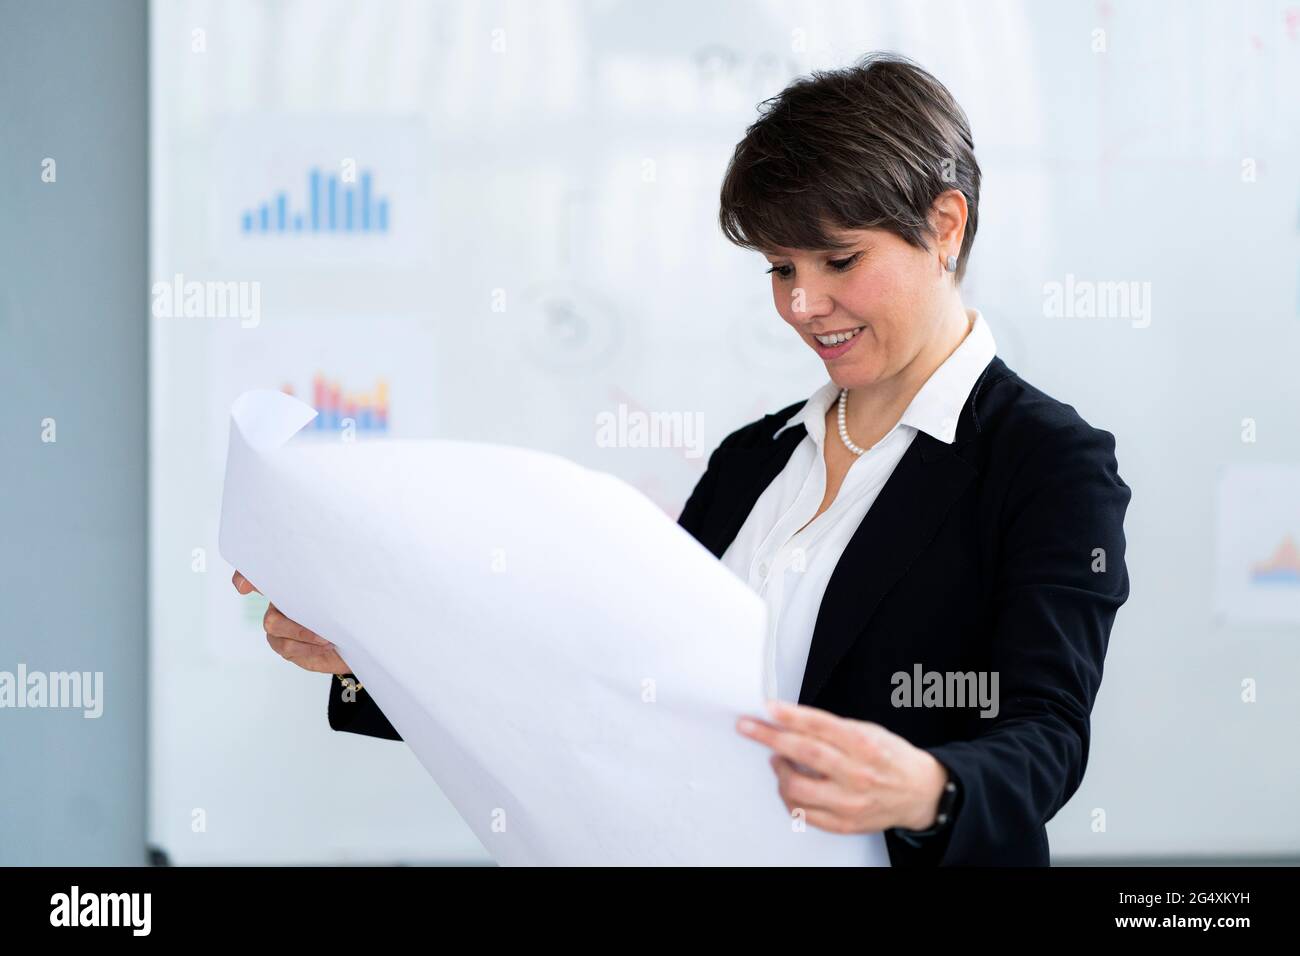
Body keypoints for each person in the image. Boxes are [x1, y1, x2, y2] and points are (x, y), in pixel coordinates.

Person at [233, 52, 1131, 866]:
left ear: (945, 226)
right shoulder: (755, 459)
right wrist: (369, 660)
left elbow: (1046, 735)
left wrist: (928, 791)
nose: (805, 304)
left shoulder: (1047, 463)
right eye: (781, 268)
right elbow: (618, 698)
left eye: (838, 259)